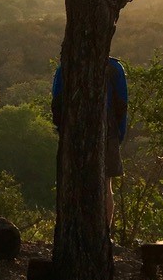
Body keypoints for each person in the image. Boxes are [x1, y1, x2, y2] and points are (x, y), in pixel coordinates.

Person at [50, 56, 129, 228]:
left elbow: (56, 103)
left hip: (73, 131)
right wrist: (118, 135)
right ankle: (103, 234)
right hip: (108, 132)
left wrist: (63, 130)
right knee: (105, 184)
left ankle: (74, 229)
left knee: (73, 182)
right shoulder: (115, 67)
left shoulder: (66, 66)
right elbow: (122, 105)